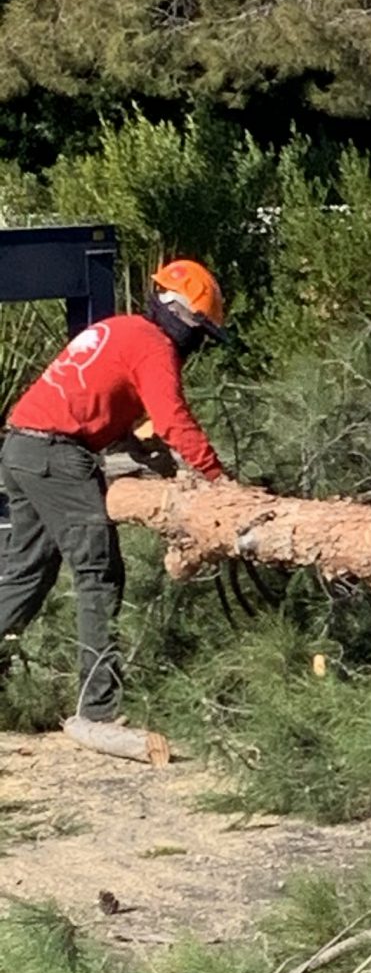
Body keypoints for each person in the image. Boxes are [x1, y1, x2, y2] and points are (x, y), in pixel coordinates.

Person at [0, 258, 230, 753]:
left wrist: (143, 453)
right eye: (201, 333)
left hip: (21, 447)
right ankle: (98, 708)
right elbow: (172, 419)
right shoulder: (156, 347)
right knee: (99, 572)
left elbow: (93, 402)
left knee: (25, 575)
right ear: (184, 320)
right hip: (56, 455)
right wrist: (219, 480)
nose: (198, 345)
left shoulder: (119, 330)